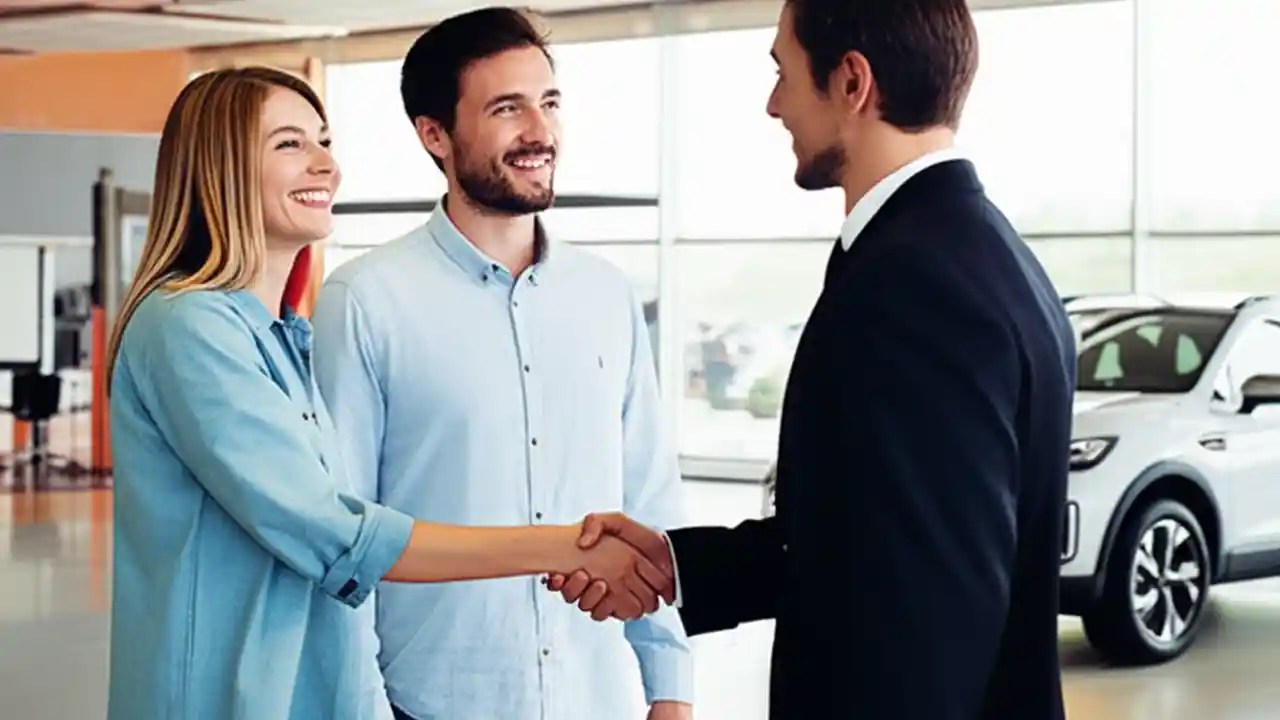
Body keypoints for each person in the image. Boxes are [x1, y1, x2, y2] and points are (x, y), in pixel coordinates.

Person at [551, 0, 1077, 718]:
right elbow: (865, 541)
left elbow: (928, 620)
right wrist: (674, 564)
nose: (774, 105)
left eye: (784, 73)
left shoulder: (911, 285)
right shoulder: (985, 256)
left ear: (852, 83)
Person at [105, 66, 665, 720]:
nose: (326, 166)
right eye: (290, 145)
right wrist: (564, 544)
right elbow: (336, 533)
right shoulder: (188, 329)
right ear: (219, 168)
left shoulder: (281, 336)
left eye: (324, 142)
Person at [309, 8, 693, 720]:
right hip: (433, 702)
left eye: (548, 103)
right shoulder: (365, 301)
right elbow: (345, 538)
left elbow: (650, 504)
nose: (540, 132)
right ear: (435, 135)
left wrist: (670, 687)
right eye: (507, 108)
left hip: (597, 699)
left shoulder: (607, 295)